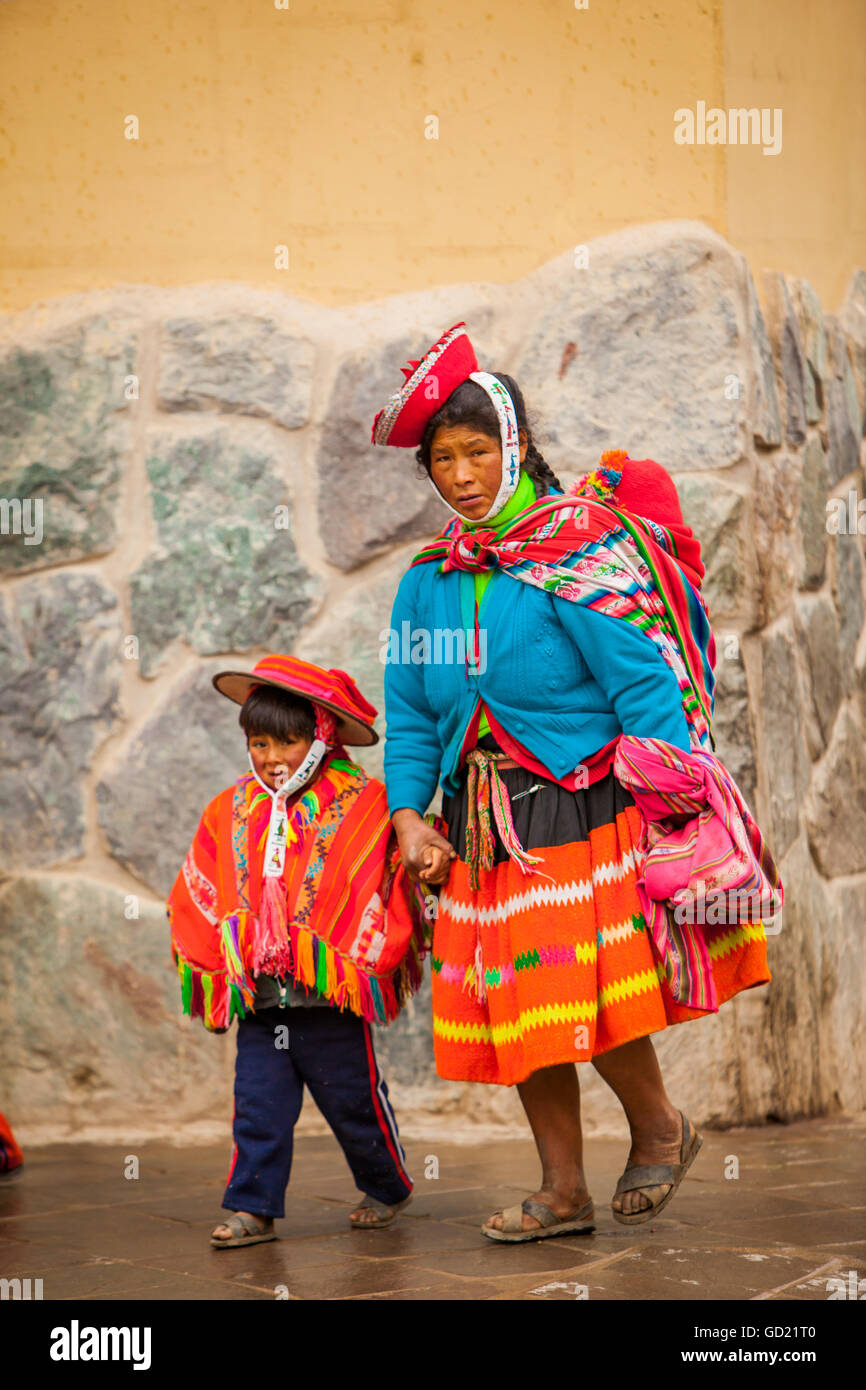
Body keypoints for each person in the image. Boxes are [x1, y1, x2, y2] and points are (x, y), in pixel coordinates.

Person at [372, 322, 775, 1241]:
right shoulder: (428, 583)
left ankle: (660, 1130)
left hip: (578, 805)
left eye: (480, 451)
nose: (464, 474)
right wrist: (407, 816)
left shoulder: (575, 552)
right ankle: (563, 1192)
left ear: (515, 450)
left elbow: (643, 683)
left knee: (576, 993)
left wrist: (674, 809)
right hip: (475, 822)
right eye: (445, 459)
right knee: (523, 1008)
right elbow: (411, 712)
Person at [167, 656, 426, 1247]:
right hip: (261, 1000)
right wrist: (210, 968)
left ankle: (387, 1185)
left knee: (355, 1104)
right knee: (257, 1106)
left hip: (331, 1001)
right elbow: (199, 889)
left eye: (287, 740)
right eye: (259, 742)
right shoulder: (230, 810)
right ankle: (253, 1207)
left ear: (321, 738)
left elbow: (379, 881)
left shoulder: (363, 803)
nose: (271, 757)